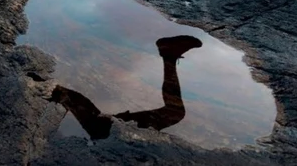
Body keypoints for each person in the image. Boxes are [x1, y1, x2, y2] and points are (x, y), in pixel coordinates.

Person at [50, 35, 203, 140]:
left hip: (105, 136)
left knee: (174, 112)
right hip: (107, 136)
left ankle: (168, 55)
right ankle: (168, 55)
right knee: (175, 113)